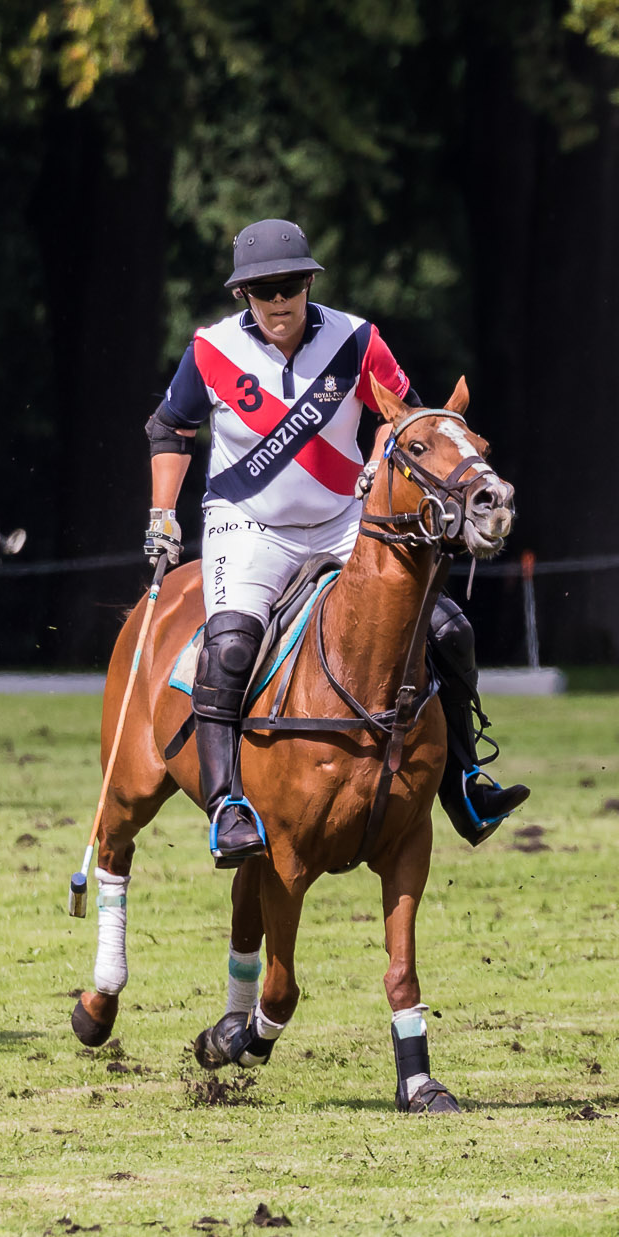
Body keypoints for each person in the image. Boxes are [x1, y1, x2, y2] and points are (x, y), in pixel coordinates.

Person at [143, 219, 528, 868]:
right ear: (245, 295)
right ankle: (228, 804)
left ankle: (463, 781)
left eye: (292, 285)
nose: (280, 301)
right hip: (248, 525)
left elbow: (411, 424)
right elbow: (170, 427)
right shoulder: (210, 350)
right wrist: (162, 516)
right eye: (265, 290)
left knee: (449, 627)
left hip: (342, 522)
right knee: (230, 645)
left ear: (310, 282)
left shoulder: (357, 339)